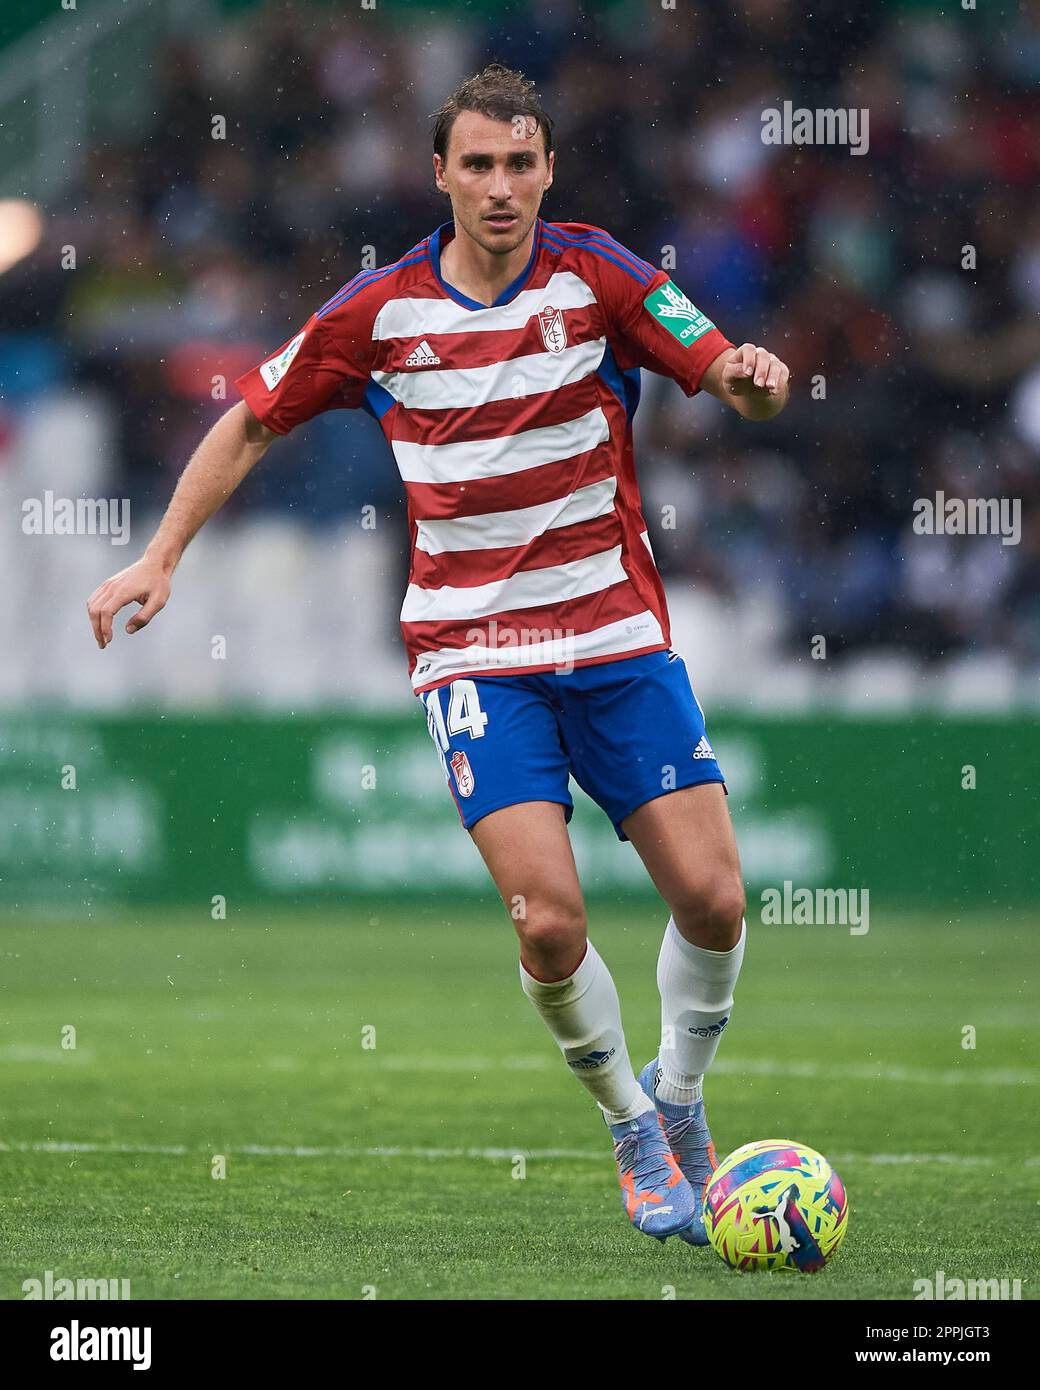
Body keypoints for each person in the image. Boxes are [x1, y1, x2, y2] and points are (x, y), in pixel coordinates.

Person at [87, 63, 791, 1245]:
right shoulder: (380, 311)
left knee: (716, 899)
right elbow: (252, 417)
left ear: (547, 169)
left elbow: (721, 367)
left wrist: (755, 382)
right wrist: (160, 557)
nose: (501, 186)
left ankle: (678, 1096)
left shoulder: (600, 272)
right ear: (439, 174)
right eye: (478, 164)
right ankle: (627, 1124)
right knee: (548, 925)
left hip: (615, 640)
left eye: (520, 163)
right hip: (474, 656)